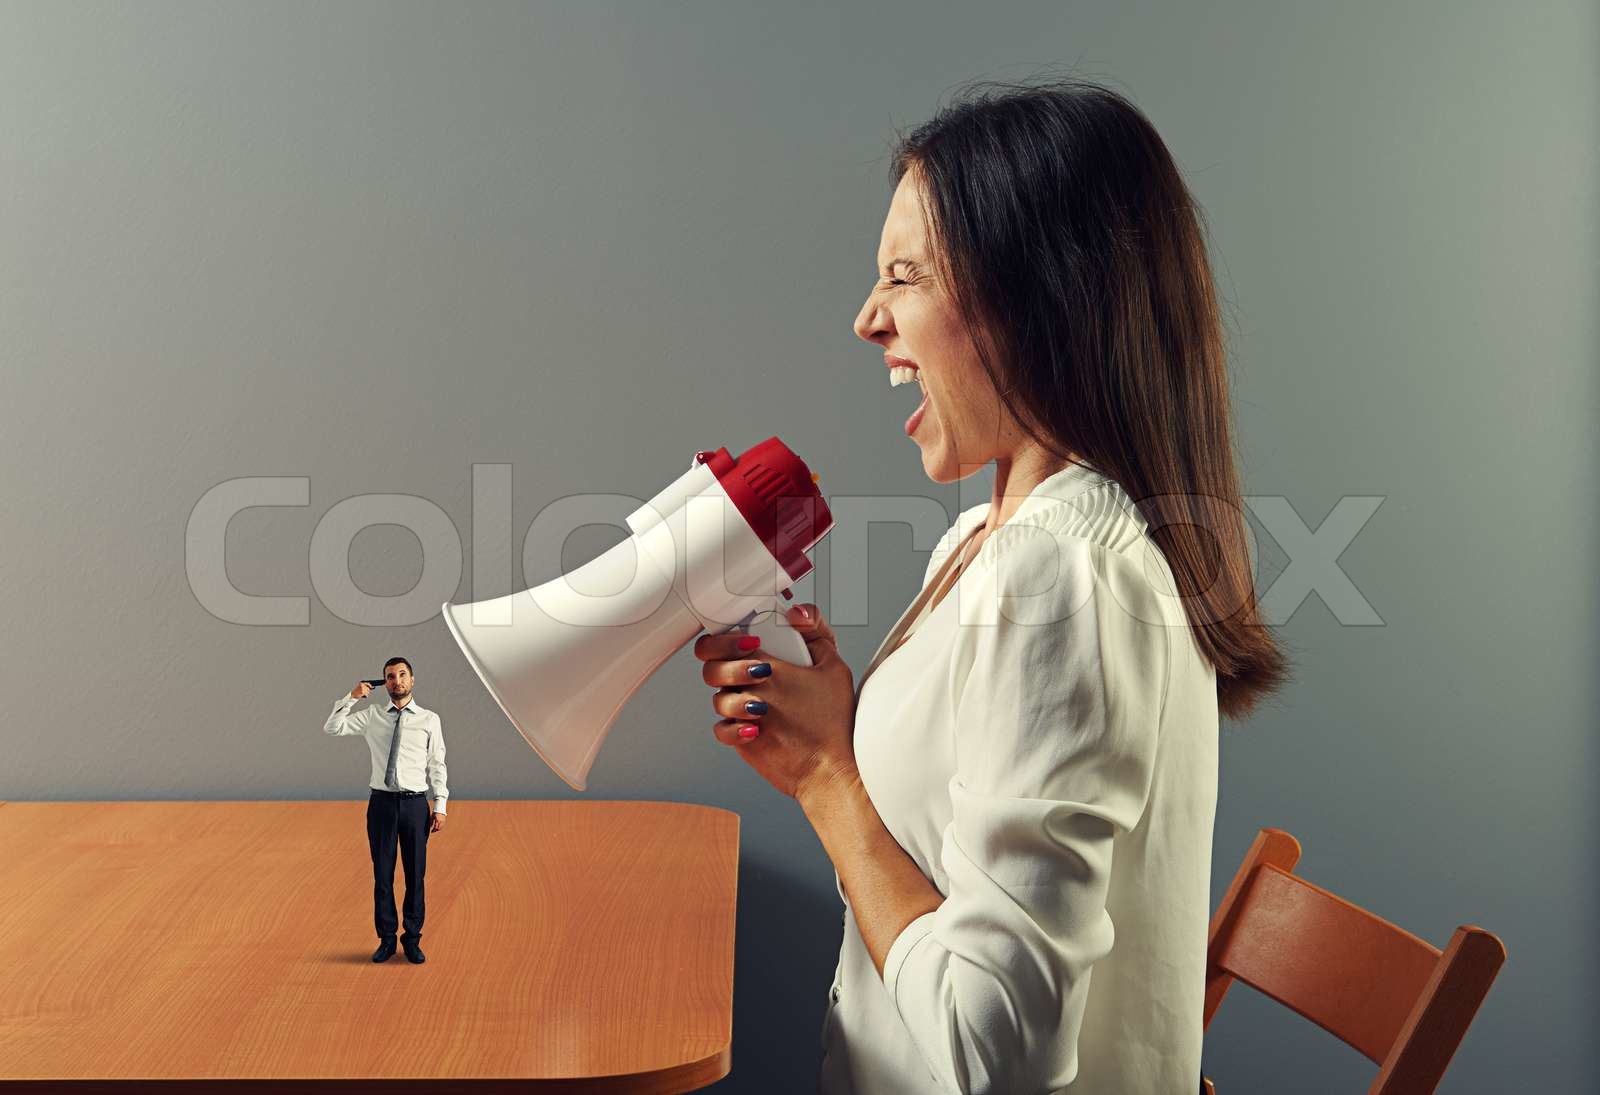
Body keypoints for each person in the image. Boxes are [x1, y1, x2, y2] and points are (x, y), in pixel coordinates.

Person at [693, 79, 1289, 1094]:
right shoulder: (985, 541)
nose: (866, 319)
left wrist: (830, 783)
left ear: (1039, 299)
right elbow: (946, 865)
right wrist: (834, 737)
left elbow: (994, 1053)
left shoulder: (1059, 574)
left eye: (904, 278)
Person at [324, 656, 450, 965]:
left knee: (415, 876)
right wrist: (350, 698)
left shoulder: (429, 719)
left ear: (412, 680)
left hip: (415, 805)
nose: (396, 681)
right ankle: (386, 939)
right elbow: (333, 727)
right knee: (382, 876)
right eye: (390, 677)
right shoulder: (372, 717)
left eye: (402, 675)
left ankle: (412, 938)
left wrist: (441, 804)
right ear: (384, 683)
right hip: (381, 804)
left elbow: (437, 764)